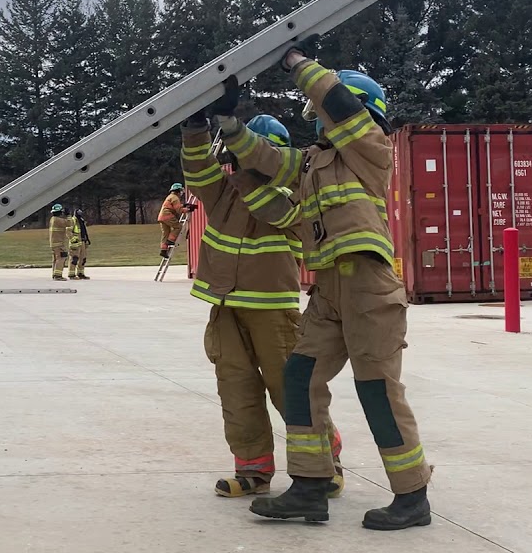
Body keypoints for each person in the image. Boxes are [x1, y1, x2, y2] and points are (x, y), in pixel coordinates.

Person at [216, 39, 433, 530]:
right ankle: (309, 488)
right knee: (300, 378)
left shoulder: (370, 150)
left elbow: (340, 104)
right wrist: (230, 125)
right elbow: (269, 159)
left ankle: (412, 495)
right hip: (330, 291)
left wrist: (295, 62)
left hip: (369, 286)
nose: (316, 114)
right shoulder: (314, 163)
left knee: (376, 388)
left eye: (319, 108)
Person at [180, 107, 345, 500]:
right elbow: (198, 170)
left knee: (292, 391)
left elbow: (278, 213)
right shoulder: (224, 191)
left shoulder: (294, 192)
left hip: (273, 310)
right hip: (224, 306)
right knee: (236, 390)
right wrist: (194, 130)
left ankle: (327, 462)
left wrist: (249, 172)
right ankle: (253, 469)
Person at [158, 183, 191, 258]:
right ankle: (170, 240)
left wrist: (183, 205)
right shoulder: (175, 198)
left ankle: (163, 250)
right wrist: (188, 209)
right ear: (178, 191)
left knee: (165, 233)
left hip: (161, 217)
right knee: (178, 227)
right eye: (181, 190)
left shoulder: (170, 196)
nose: (182, 192)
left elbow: (174, 206)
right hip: (168, 216)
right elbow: (178, 210)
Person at [48, 204, 71, 281]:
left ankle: (54, 274)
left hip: (54, 243)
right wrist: (68, 215)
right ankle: (58, 275)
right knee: (61, 258)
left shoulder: (52, 219)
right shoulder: (58, 220)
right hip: (59, 243)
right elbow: (69, 223)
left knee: (56, 259)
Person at [68, 207, 92, 280]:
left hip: (82, 241)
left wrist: (87, 239)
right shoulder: (72, 220)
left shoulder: (81, 220)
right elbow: (68, 231)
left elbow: (84, 230)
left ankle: (80, 273)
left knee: (83, 258)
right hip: (75, 243)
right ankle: (71, 274)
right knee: (74, 259)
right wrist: (73, 239)